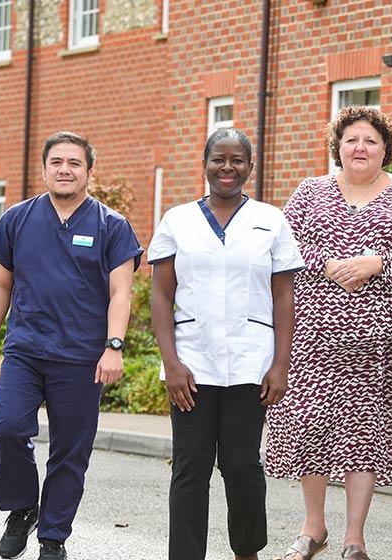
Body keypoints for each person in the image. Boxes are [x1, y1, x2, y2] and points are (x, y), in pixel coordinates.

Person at [265, 106, 392, 560]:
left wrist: (375, 263)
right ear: (337, 147)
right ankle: (313, 528)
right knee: (310, 427)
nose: (360, 148)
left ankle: (354, 539)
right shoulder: (310, 191)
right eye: (351, 140)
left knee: (365, 435)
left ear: (386, 149)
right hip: (314, 341)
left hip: (384, 345)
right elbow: (282, 246)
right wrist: (327, 265)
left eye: (370, 141)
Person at [0, 131, 143, 560]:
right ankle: (23, 507)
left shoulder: (112, 226)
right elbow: (0, 285)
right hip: (25, 350)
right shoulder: (16, 219)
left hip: (82, 358)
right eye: (57, 162)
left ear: (89, 171)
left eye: (74, 163)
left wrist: (114, 346)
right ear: (45, 168)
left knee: (70, 450)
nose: (65, 169)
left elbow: (121, 293)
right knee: (8, 428)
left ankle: (53, 537)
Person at [149, 128, 304, 560]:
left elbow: (283, 296)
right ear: (205, 164)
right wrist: (171, 362)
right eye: (219, 159)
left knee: (241, 465)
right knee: (190, 466)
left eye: (237, 160)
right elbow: (161, 295)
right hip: (191, 364)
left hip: (250, 362)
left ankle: (247, 551)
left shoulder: (271, 221)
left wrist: (281, 365)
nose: (227, 167)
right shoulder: (177, 220)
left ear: (250, 167)